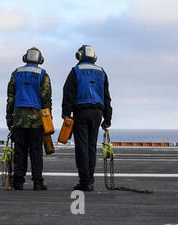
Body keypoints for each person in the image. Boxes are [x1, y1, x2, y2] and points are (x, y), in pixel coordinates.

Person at [62, 44, 112, 191]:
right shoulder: (101, 72)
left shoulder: (76, 71)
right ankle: (90, 179)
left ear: (79, 55)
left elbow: (68, 93)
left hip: (81, 112)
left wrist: (66, 114)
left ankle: (84, 181)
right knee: (91, 146)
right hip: (97, 113)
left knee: (82, 147)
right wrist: (107, 118)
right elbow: (107, 97)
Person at [6, 47, 52, 190]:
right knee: (36, 151)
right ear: (40, 59)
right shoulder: (43, 75)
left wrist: (9, 118)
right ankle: (38, 182)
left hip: (19, 118)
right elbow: (46, 100)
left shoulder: (16, 73)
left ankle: (18, 181)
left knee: (20, 151)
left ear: (25, 58)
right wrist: (48, 120)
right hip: (37, 120)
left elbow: (10, 99)